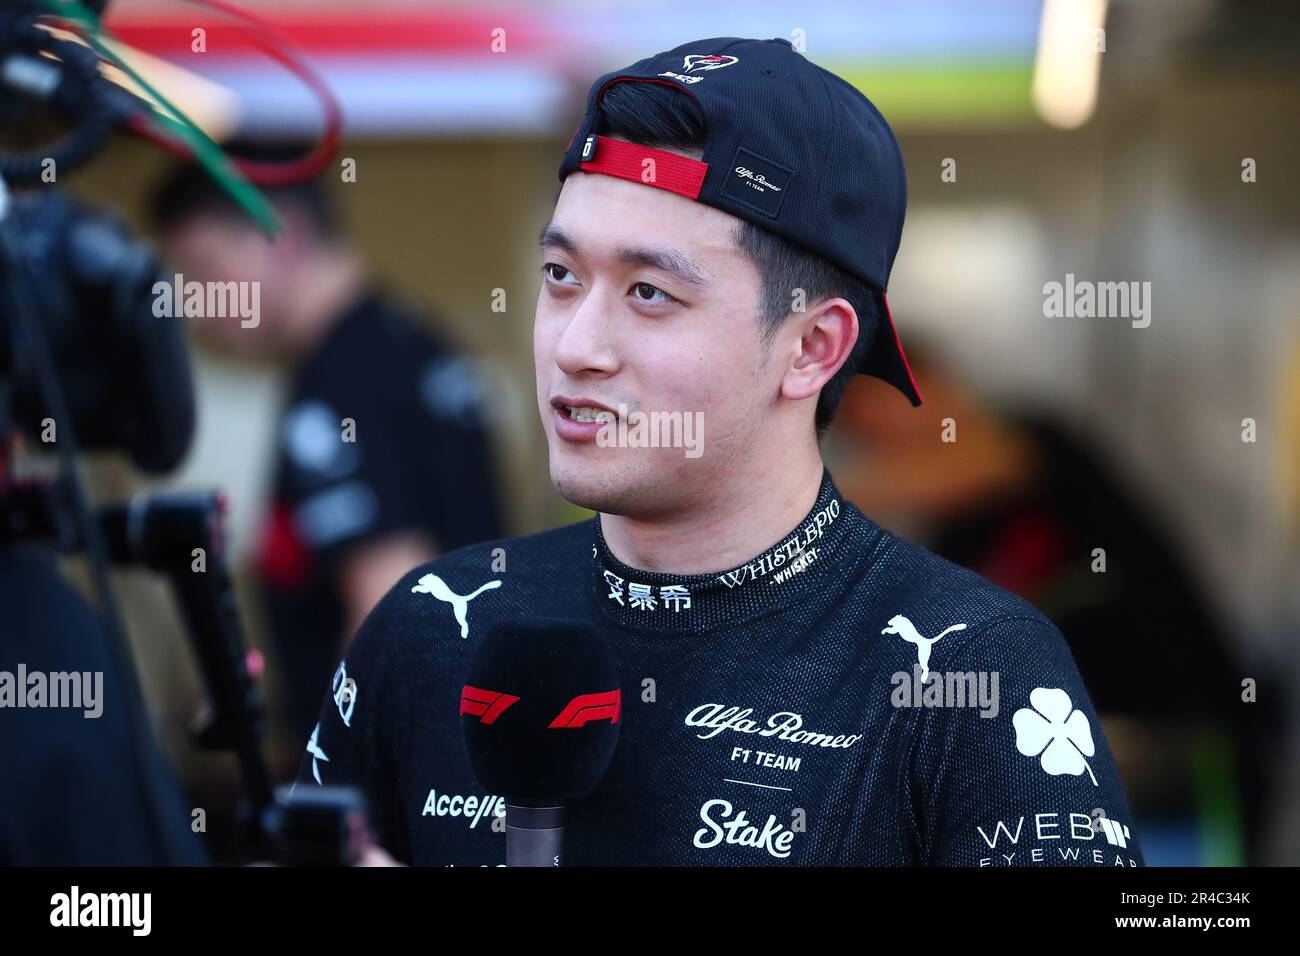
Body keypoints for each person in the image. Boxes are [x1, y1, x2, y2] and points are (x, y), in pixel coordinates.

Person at [293, 38, 1144, 866]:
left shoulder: (970, 667)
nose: (576, 345)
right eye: (561, 277)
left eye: (650, 292)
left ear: (812, 348)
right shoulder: (433, 622)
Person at [152, 156, 506, 743]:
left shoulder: (341, 378)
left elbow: (391, 601)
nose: (197, 307)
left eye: (204, 268)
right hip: (463, 746)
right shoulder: (405, 338)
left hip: (408, 778)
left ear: (283, 236)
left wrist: (336, 782)